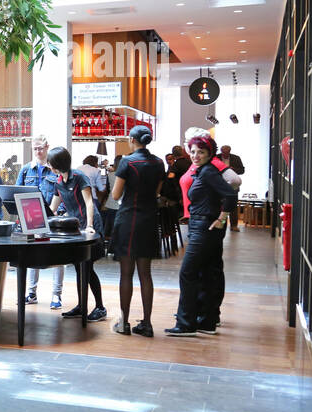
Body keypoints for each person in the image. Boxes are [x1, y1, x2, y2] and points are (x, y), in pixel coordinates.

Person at [167, 135, 236, 336]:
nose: (196, 155)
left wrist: (222, 219)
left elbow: (231, 194)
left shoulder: (208, 172)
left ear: (209, 154)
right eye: (193, 151)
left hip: (205, 225)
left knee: (187, 273)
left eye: (201, 152)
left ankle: (186, 323)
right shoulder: (203, 170)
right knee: (207, 272)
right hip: (204, 224)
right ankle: (206, 321)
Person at [109, 126, 164, 337]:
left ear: (132, 140)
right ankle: (147, 324)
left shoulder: (127, 162)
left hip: (129, 218)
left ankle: (124, 323)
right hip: (149, 218)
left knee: (126, 273)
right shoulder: (159, 162)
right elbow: (157, 191)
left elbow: (115, 195)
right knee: (145, 274)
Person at [46, 146, 106, 322]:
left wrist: (89, 225)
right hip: (75, 228)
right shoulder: (59, 181)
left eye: (50, 163)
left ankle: (100, 307)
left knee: (87, 267)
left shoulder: (79, 177)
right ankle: (82, 305)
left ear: (57, 164)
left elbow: (89, 202)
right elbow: (52, 208)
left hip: (90, 225)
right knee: (80, 267)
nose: (49, 165)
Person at [16, 134, 64, 308]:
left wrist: (59, 212)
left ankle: (56, 295)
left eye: (40, 148)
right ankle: (31, 293)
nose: (38, 151)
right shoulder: (26, 170)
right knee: (31, 256)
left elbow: (62, 193)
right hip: (32, 218)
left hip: (53, 217)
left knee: (58, 258)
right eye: (35, 149)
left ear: (47, 147)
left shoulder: (55, 170)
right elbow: (17, 193)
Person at [220, 145, 245, 231]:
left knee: (233, 206)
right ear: (221, 151)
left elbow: (242, 170)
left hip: (233, 185)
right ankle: (222, 224)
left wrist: (232, 169)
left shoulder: (236, 158)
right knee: (221, 206)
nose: (225, 155)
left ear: (230, 151)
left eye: (227, 153)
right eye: (224, 153)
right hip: (220, 185)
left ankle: (234, 225)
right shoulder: (216, 158)